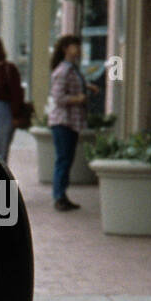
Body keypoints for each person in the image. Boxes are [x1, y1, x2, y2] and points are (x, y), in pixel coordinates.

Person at [48, 34, 97, 211]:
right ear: (66, 49)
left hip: (72, 122)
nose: (79, 49)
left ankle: (62, 194)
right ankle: (58, 195)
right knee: (63, 159)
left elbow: (74, 85)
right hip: (63, 122)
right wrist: (78, 98)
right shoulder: (64, 70)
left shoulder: (72, 69)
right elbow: (58, 97)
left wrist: (88, 87)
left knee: (66, 159)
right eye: (75, 46)